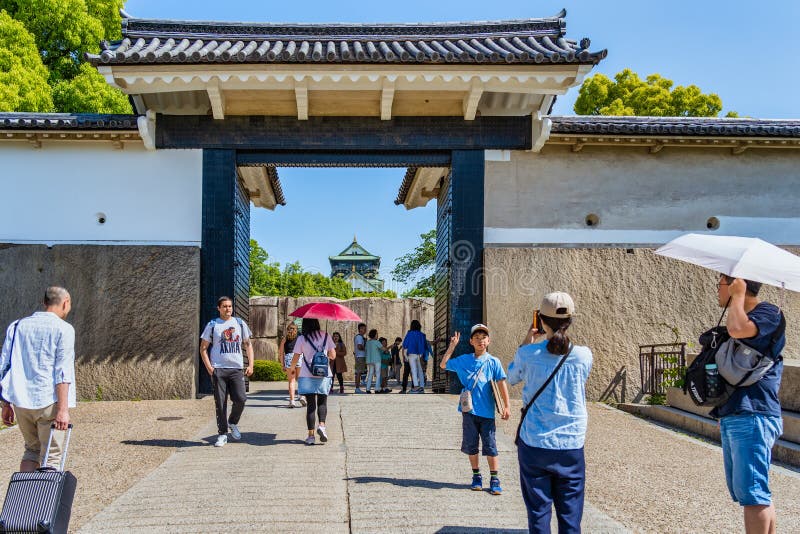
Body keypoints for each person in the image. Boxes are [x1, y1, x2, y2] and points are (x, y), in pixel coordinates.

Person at [507, 292, 593, 533]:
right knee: (570, 517)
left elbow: (512, 377)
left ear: (540, 320)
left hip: (535, 442)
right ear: (570, 321)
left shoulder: (528, 354)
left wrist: (528, 341)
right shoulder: (584, 355)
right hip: (571, 443)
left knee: (538, 513)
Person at [712, 275, 785, 534]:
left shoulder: (769, 313)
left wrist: (738, 296)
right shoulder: (744, 315)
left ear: (735, 285)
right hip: (739, 413)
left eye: (720, 284)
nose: (717, 291)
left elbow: (737, 330)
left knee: (753, 494)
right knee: (753, 492)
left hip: (754, 413)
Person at [0, 287, 75, 471]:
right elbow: (62, 371)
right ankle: (46, 499)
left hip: (21, 401)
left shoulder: (17, 326)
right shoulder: (64, 329)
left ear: (44, 303)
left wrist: (5, 403)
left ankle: (26, 498)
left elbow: (4, 364)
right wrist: (63, 410)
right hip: (48, 400)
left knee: (31, 450)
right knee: (52, 454)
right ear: (65, 303)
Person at [440, 324, 511, 496]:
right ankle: (476, 476)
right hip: (469, 411)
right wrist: (452, 346)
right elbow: (443, 365)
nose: (480, 341)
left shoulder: (493, 362)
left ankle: (495, 479)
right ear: (471, 341)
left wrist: (506, 406)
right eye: (477, 338)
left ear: (489, 341)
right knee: (472, 446)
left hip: (487, 412)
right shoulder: (464, 359)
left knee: (491, 446)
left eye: (483, 338)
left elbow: (501, 383)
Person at [200, 296, 254, 448]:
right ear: (219, 308)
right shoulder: (213, 325)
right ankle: (222, 434)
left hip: (236, 369)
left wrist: (251, 364)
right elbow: (203, 348)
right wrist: (210, 368)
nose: (228, 309)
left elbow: (248, 345)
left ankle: (233, 422)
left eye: (230, 306)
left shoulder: (239, 323)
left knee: (241, 399)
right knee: (221, 403)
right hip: (219, 369)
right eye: (224, 306)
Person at [291, 318, 336, 445]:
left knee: (311, 406)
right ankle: (321, 426)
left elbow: (296, 355)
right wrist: (323, 353)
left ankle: (310, 437)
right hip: (324, 374)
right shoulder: (326, 335)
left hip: (307, 374)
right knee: (322, 402)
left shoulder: (302, 338)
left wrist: (292, 368)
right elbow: (333, 356)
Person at [279, 321, 305, 408]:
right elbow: (304, 350)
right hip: (298, 357)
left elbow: (281, 353)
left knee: (291, 381)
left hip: (289, 358)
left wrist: (282, 365)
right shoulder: (300, 338)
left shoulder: (284, 339)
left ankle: (292, 401)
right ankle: (302, 396)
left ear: (287, 330)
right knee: (300, 379)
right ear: (296, 330)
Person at [402, 320, 427, 393]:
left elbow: (405, 344)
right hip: (420, 354)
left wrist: (405, 355)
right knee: (420, 371)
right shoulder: (422, 335)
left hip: (411, 354)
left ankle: (416, 387)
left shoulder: (409, 334)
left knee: (413, 370)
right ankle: (422, 386)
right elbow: (424, 345)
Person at [364, 329, 383, 394]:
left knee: (370, 374)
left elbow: (365, 350)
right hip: (377, 360)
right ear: (374, 335)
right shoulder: (377, 342)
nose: (377, 335)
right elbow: (383, 349)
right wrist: (389, 347)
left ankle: (367, 389)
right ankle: (377, 389)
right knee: (378, 374)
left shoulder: (367, 342)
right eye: (377, 334)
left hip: (369, 360)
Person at [353, 323, 367, 394]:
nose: (365, 330)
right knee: (358, 373)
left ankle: (357, 388)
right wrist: (366, 349)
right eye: (364, 329)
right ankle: (357, 388)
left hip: (359, 356)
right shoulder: (359, 337)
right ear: (360, 329)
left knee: (359, 372)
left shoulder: (360, 337)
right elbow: (359, 346)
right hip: (360, 357)